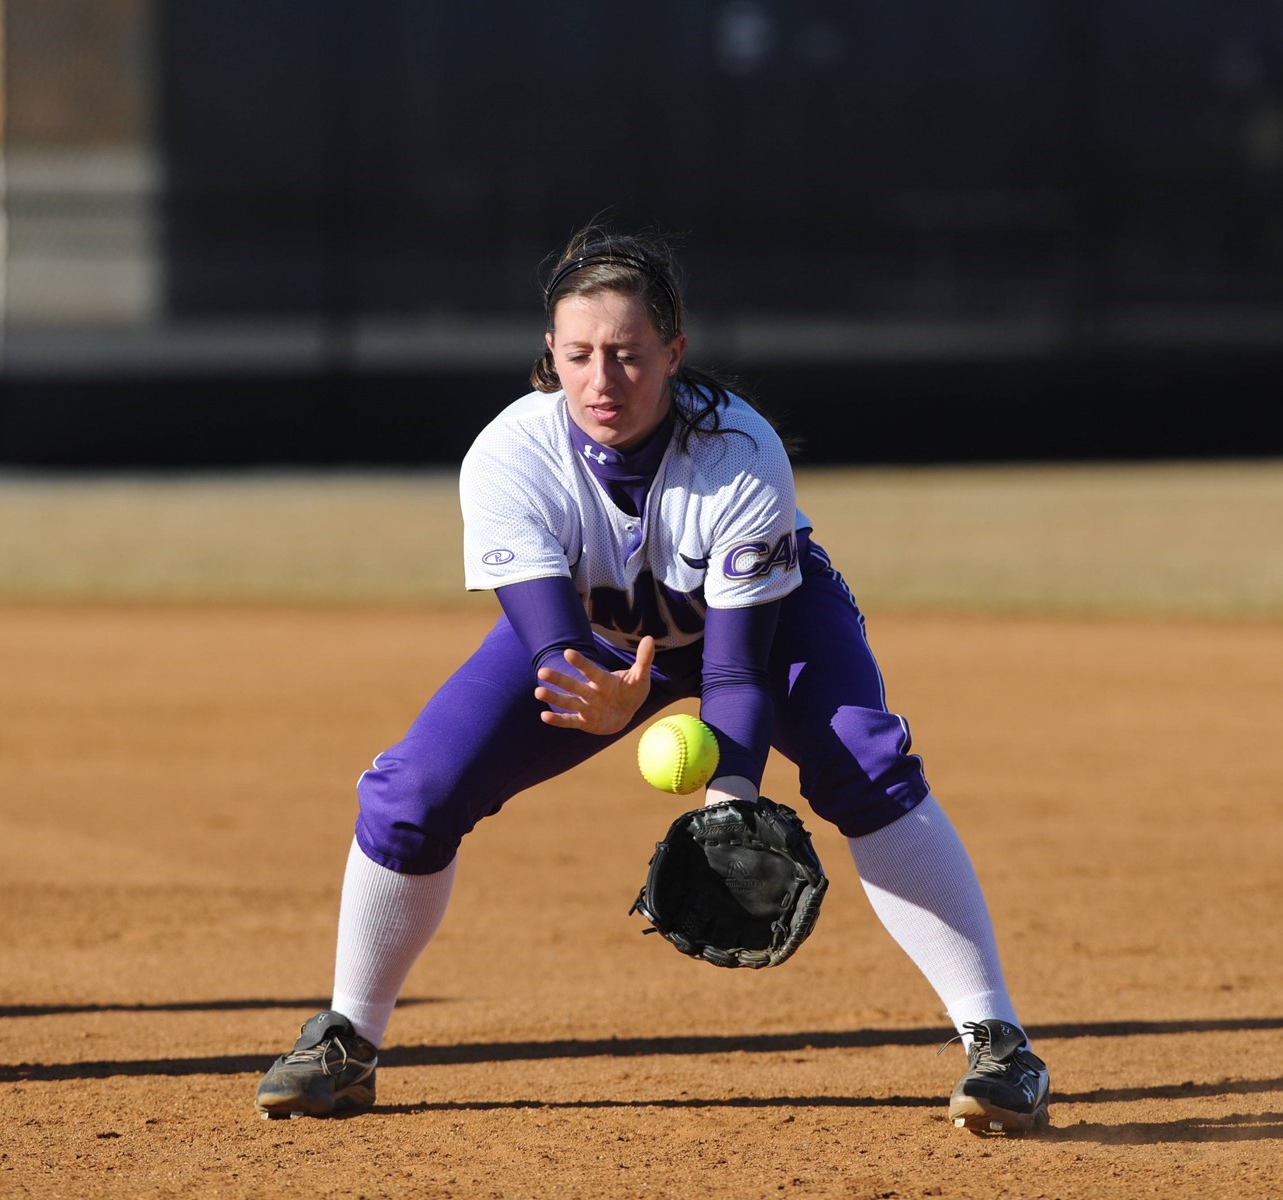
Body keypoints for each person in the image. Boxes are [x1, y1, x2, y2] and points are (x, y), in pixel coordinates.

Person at [254, 226, 1050, 1135]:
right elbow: (553, 646)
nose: (603, 380)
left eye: (629, 354)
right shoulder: (510, 457)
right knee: (412, 792)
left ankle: (1001, 1045)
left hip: (766, 625)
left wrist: (730, 799)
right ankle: (348, 1040)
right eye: (579, 354)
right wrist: (597, 697)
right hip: (592, 644)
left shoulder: (738, 452)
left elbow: (736, 668)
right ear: (550, 354)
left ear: (673, 353)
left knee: (863, 763)